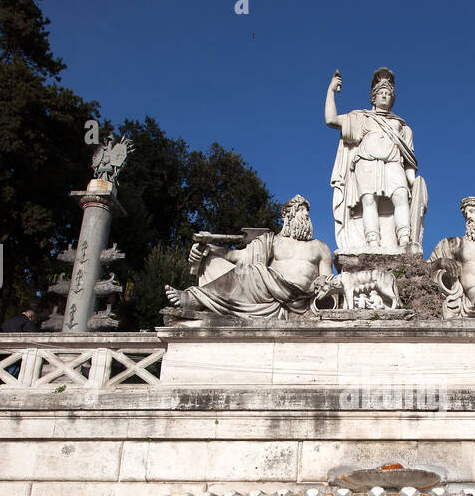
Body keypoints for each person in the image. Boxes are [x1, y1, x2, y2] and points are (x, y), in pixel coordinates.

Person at [169, 195, 333, 318]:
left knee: (255, 272)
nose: (306, 214)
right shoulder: (272, 241)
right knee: (248, 272)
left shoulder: (320, 247)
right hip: (269, 293)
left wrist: (323, 282)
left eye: (307, 210)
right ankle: (195, 298)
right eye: (301, 209)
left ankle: (197, 298)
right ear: (288, 216)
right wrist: (210, 250)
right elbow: (239, 257)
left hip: (302, 299)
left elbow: (329, 281)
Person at [325, 67, 425, 251]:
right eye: (381, 93)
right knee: (369, 200)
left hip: (394, 162)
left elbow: (409, 160)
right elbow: (331, 120)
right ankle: (372, 242)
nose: (385, 96)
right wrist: (331, 90)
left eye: (388, 93)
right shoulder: (361, 118)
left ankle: (404, 240)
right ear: (374, 97)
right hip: (366, 162)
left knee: (401, 196)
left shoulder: (403, 127)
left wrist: (414, 181)